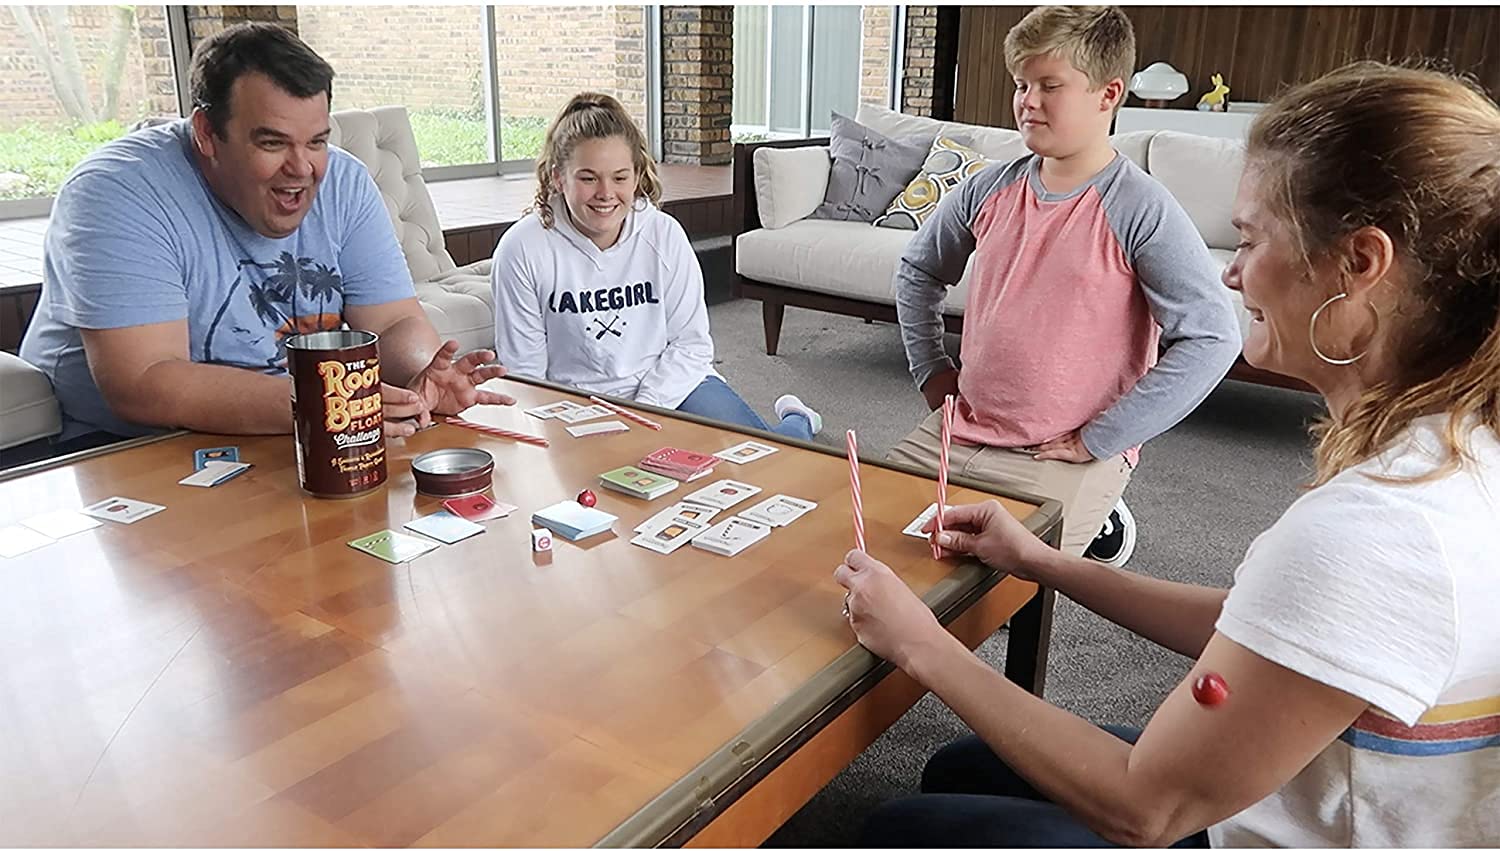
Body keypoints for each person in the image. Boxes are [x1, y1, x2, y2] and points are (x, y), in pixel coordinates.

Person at [837, 62, 1500, 847]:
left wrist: (920, 641)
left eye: (1251, 239)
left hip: (1216, 820)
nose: (1231, 270)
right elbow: (1268, 626)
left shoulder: (1376, 530)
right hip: (1273, 775)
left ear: (1359, 263)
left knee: (898, 826)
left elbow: (1148, 810)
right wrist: (1041, 559)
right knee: (962, 765)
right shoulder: (1451, 449)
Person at [19, 23, 511, 452]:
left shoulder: (345, 180)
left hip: (301, 427)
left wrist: (422, 376)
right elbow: (145, 383)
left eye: (316, 141)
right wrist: (331, 401)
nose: (302, 169)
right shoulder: (117, 191)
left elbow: (394, 321)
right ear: (208, 134)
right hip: (124, 449)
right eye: (272, 142)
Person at [888, 6, 1241, 565]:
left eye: (1049, 85)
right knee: (867, 549)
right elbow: (918, 269)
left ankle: (1101, 516)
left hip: (1066, 450)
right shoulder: (988, 189)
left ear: (1108, 94)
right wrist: (930, 368)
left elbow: (1213, 337)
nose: (1028, 100)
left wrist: (1103, 439)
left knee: (985, 592)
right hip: (966, 425)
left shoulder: (1141, 207)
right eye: (1021, 84)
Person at [490, 92, 823, 440]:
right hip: (576, 403)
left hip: (672, 387)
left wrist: (644, 410)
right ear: (559, 178)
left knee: (769, 458)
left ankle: (797, 419)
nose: (606, 193)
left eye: (619, 177)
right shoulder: (522, 249)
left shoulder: (663, 235)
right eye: (588, 178)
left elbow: (691, 345)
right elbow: (524, 373)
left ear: (636, 175)